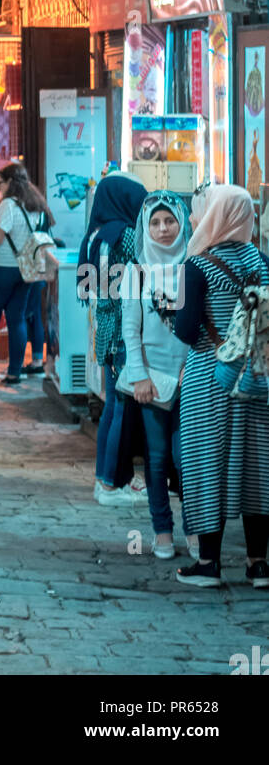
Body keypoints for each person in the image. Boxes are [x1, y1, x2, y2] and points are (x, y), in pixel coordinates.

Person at [174, 185, 269, 589]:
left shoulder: (196, 265)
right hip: (257, 376)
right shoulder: (263, 261)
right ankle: (258, 565)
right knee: (256, 468)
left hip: (209, 378)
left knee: (205, 463)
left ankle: (209, 563)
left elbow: (185, 329)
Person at [121, 192, 197, 560]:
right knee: (156, 456)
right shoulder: (136, 272)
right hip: (152, 380)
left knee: (190, 457)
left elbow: (205, 325)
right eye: (155, 222)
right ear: (145, 228)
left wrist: (192, 369)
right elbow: (129, 330)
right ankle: (162, 530)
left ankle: (196, 528)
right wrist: (138, 377)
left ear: (182, 223)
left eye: (169, 221)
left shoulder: (195, 267)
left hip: (193, 379)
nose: (164, 229)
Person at [78, 172, 149, 507]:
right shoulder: (126, 234)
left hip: (104, 329)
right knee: (121, 406)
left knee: (112, 406)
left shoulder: (94, 235)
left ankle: (104, 479)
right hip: (124, 329)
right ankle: (110, 484)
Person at [0, 163, 56, 387]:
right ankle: (14, 374)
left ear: (10, 182)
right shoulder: (36, 204)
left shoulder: (8, 206)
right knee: (17, 319)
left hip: (1, 268)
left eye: (0, 183)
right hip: (26, 272)